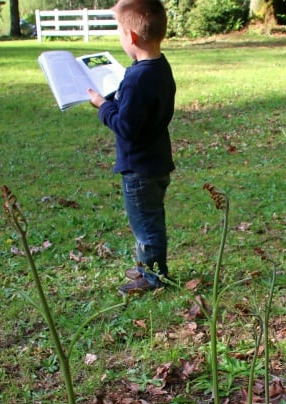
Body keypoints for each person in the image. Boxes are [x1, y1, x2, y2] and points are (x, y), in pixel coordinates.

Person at [88, 0, 175, 296]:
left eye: (120, 33)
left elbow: (125, 127)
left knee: (146, 226)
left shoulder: (138, 79)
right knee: (150, 219)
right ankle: (145, 266)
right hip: (156, 161)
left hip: (139, 168)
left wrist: (102, 106)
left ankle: (153, 277)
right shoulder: (156, 67)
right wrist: (116, 96)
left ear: (132, 37)